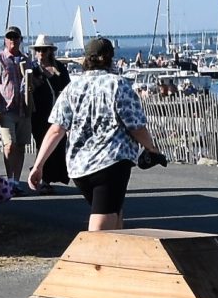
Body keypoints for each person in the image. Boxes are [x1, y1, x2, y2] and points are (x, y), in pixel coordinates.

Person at [28, 36, 162, 231]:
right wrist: (152, 148)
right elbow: (136, 127)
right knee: (100, 230)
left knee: (114, 213)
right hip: (111, 163)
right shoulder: (118, 85)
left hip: (80, 167)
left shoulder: (72, 87)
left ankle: (116, 259)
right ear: (110, 58)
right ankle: (95, 260)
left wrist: (38, 165)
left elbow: (56, 129)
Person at [0, 26, 31, 179]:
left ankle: (16, 181)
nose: (13, 39)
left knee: (21, 146)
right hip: (6, 110)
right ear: (5, 40)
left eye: (15, 37)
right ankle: (9, 177)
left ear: (20, 39)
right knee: (10, 145)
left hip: (24, 110)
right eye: (9, 37)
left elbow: (33, 82)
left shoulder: (26, 60)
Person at [26, 33, 70, 143]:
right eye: (38, 50)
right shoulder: (32, 69)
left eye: (44, 50)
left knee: (59, 147)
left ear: (50, 51)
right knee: (42, 145)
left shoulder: (60, 68)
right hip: (39, 116)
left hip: (58, 115)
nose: (41, 53)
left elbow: (68, 89)